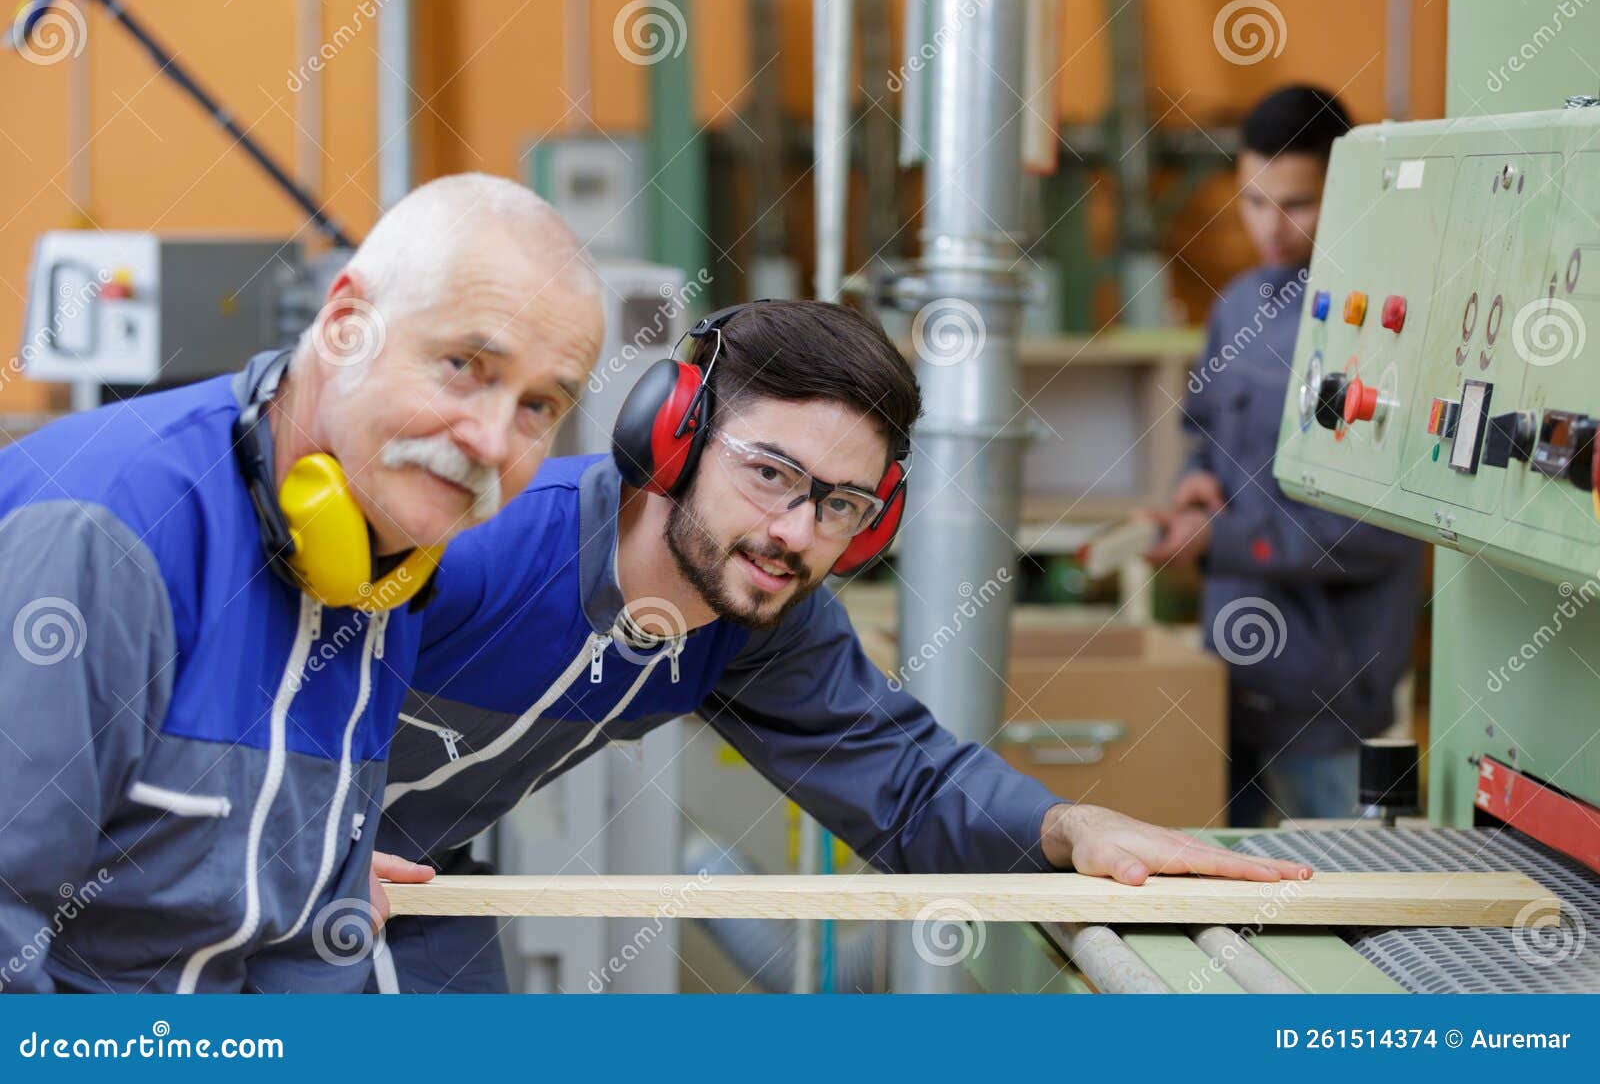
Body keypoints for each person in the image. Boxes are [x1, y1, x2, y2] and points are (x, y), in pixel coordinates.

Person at [370, 298, 1312, 993]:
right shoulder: (476, 542)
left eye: (840, 503)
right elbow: (241, 666)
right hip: (259, 836)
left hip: (414, 873)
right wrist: (287, 842)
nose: (795, 531)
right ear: (672, 439)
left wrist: (1066, 827)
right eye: (771, 473)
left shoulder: (753, 619)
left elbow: (908, 786)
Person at [0, 173, 603, 992]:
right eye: (465, 365)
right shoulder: (106, 533)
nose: (493, 439)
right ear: (348, 326)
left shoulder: (381, 559)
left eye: (538, 406)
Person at [1146, 85, 1424, 826]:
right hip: (1229, 675)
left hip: (1326, 692)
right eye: (1253, 202)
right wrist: (1195, 482)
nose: (1270, 228)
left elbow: (1382, 524)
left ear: (1350, 189)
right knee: (1225, 893)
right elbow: (1202, 427)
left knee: (1344, 907)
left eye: (1296, 204)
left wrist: (1222, 539)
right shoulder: (1238, 303)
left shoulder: (1393, 321)